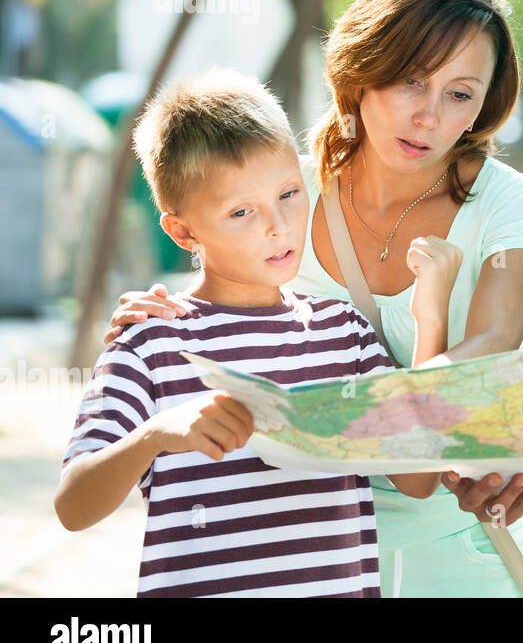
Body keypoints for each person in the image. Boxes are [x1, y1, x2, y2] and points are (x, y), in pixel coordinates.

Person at [103, 0, 523, 597]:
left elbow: (486, 351)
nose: (429, 116)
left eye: (460, 93)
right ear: (362, 70)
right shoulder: (289, 192)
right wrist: (161, 319)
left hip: (450, 551)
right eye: (410, 81)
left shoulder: (511, 208)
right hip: (295, 553)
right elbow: (226, 303)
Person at [55, 68, 443, 597]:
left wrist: (431, 319)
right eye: (241, 211)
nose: (277, 226)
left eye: (288, 193)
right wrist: (156, 435)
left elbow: (419, 480)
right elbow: (73, 507)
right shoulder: (152, 343)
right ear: (182, 230)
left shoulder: (343, 333)